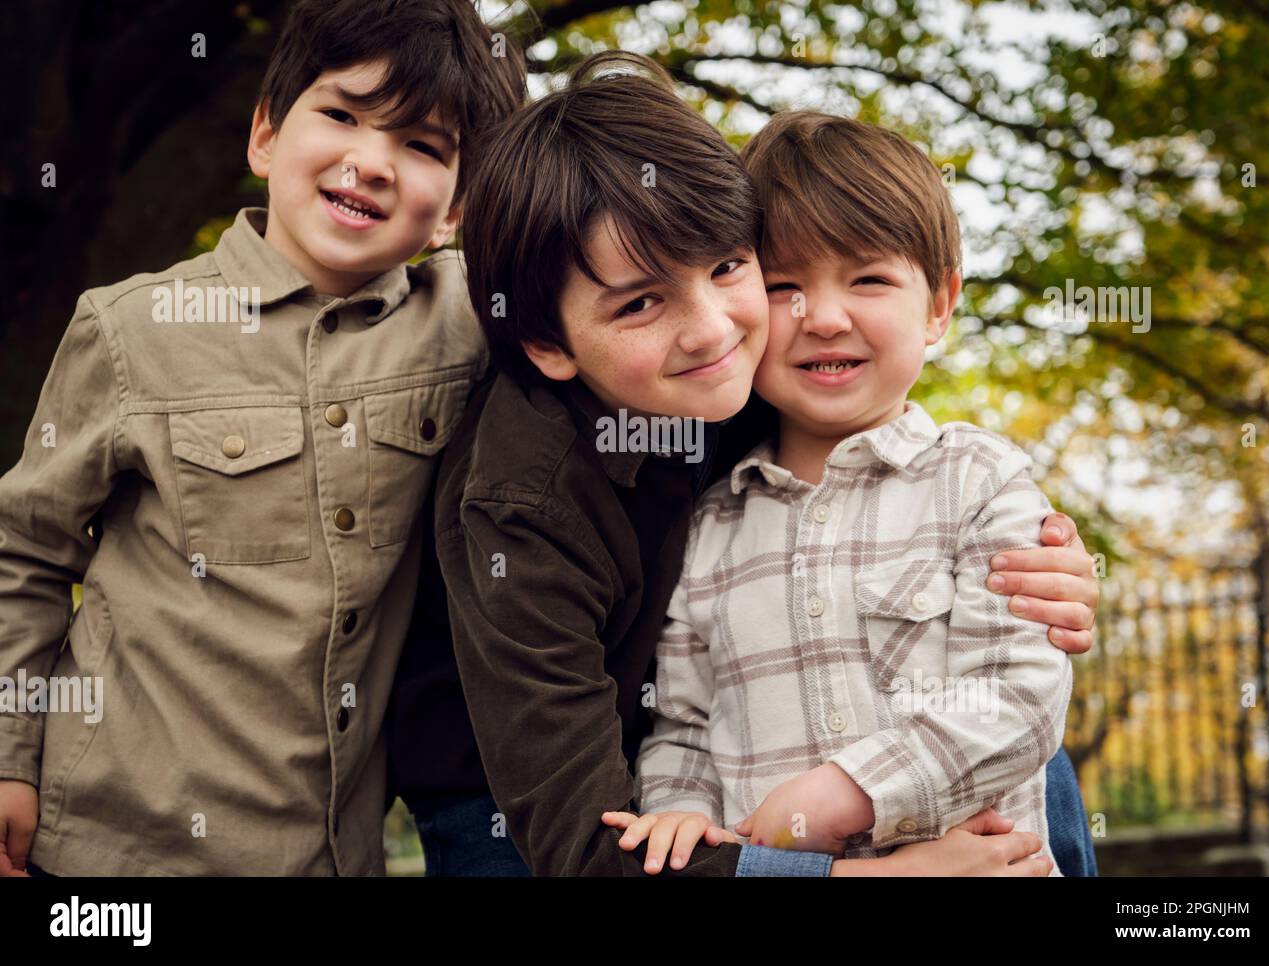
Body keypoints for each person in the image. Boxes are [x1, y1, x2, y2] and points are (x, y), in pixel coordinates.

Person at [390, 52, 1099, 876]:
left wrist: (1053, 568)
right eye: (641, 302)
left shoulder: (782, 371)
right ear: (548, 342)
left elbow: (1000, 649)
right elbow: (588, 848)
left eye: (730, 267)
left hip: (782, 762)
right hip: (527, 800)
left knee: (1032, 762)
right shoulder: (524, 501)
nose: (712, 330)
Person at [0, 0, 525, 875]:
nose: (371, 161)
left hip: (329, 852)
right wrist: (7, 757)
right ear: (264, 137)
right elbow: (24, 555)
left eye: (422, 146)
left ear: (456, 211)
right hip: (112, 844)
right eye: (342, 115)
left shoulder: (472, 323)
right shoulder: (133, 328)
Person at [620, 111, 1082, 876]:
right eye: (782, 286)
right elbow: (683, 724)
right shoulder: (709, 525)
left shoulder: (979, 482)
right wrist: (681, 812)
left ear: (939, 304)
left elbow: (1018, 695)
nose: (824, 317)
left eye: (868, 279)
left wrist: (843, 795)